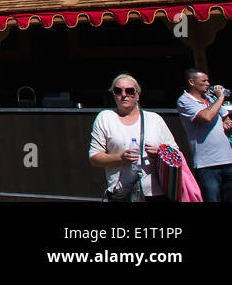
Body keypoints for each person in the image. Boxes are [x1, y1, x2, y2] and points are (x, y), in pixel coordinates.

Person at [91, 72, 178, 201]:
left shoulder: (154, 119)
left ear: (137, 95)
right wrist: (121, 157)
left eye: (129, 91)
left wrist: (159, 152)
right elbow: (94, 158)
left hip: (156, 192)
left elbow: (175, 153)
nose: (124, 95)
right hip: (123, 193)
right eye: (118, 91)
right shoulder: (105, 118)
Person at [175, 69, 232, 201]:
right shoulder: (184, 100)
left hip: (228, 160)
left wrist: (227, 122)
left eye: (208, 80)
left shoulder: (211, 98)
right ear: (192, 82)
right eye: (204, 81)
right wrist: (221, 98)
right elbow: (206, 116)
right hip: (207, 165)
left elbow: (225, 118)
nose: (208, 84)